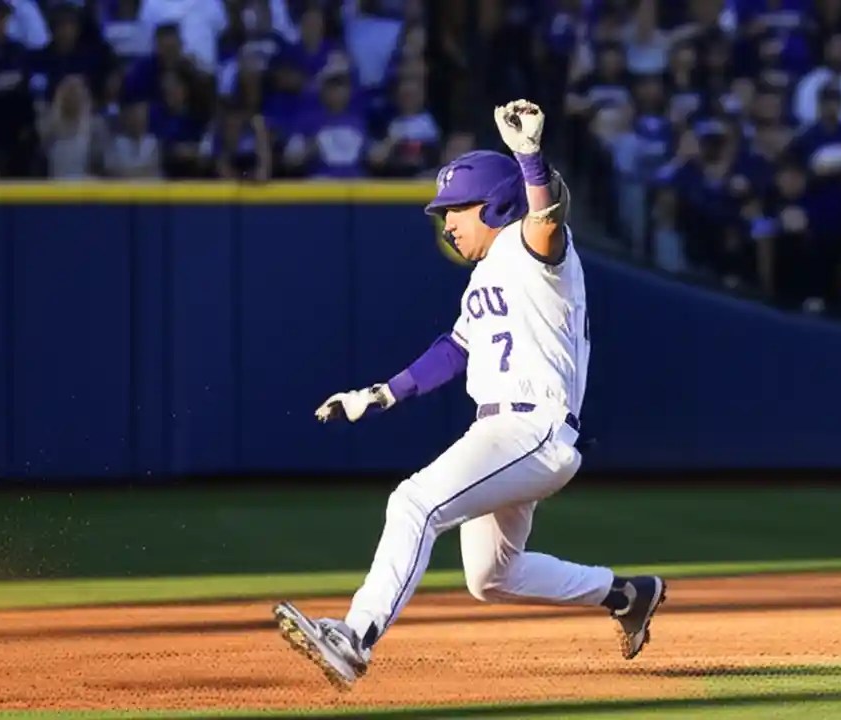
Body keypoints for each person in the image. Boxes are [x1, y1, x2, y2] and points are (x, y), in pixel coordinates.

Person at [272, 99, 667, 691]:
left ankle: (355, 637)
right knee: (491, 577)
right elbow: (453, 351)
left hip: (531, 428)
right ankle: (627, 594)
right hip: (507, 432)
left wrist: (529, 159)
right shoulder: (487, 275)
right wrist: (379, 395)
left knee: (414, 504)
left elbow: (548, 219)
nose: (447, 222)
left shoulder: (533, 253)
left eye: (456, 209)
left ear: (495, 204)